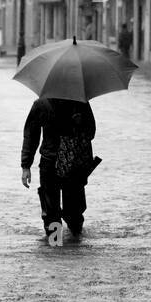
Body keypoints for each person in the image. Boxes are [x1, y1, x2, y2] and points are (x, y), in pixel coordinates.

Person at [21, 96, 96, 241]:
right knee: (73, 209)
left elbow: (31, 135)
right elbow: (91, 132)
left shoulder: (41, 103)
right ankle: (75, 245)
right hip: (72, 162)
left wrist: (26, 166)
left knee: (51, 211)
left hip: (51, 162)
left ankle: (55, 247)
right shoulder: (80, 102)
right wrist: (77, 124)